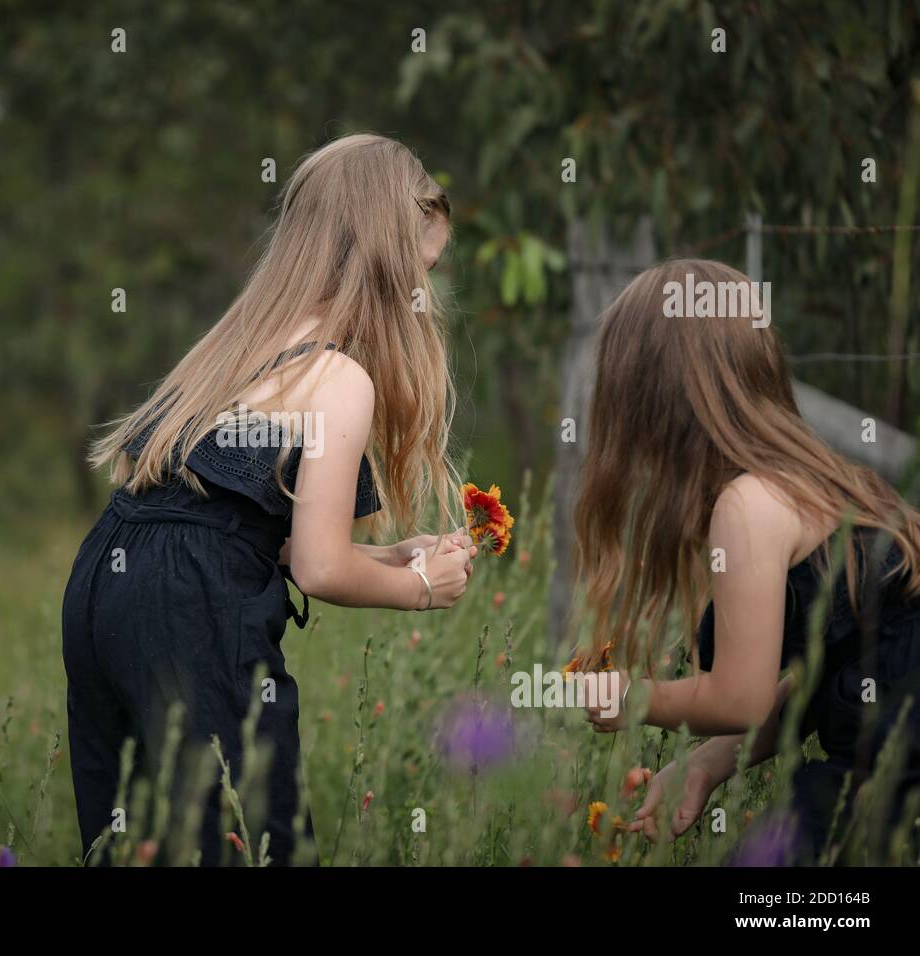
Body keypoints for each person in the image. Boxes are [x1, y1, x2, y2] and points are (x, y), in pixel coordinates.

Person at [62, 133, 477, 865]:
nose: (424, 296)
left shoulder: (242, 341)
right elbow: (317, 569)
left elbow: (242, 528)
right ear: (383, 258)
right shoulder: (340, 378)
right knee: (250, 836)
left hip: (108, 580)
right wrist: (418, 586)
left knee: (132, 837)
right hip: (192, 608)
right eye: (422, 270)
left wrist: (385, 553)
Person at [577, 258, 920, 862]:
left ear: (652, 403)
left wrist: (632, 696)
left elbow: (739, 697)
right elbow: (825, 670)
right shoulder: (810, 480)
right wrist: (708, 763)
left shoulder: (749, 505)